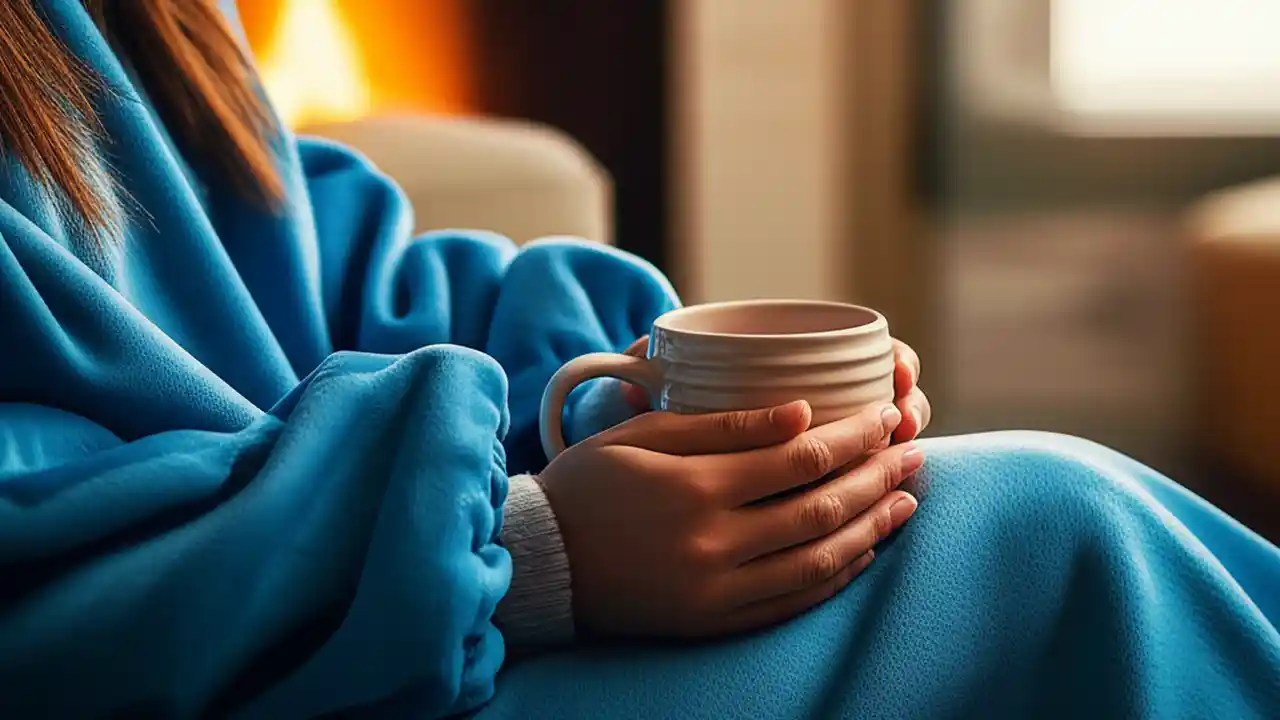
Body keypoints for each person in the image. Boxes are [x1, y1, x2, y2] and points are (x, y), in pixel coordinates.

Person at [0, 1, 1275, 718]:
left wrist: (647, 381)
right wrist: (533, 554)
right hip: (335, 671)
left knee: (1039, 523)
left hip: (398, 605)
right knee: (1053, 536)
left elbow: (320, 275)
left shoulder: (141, 24)